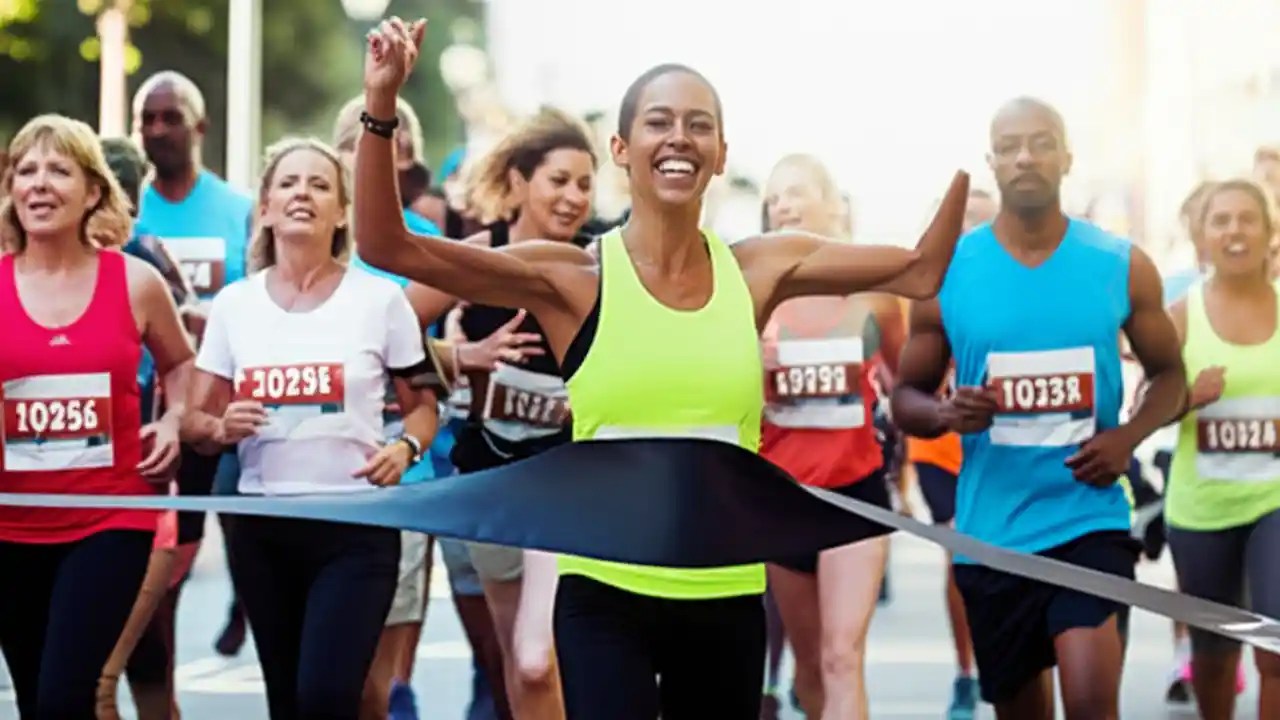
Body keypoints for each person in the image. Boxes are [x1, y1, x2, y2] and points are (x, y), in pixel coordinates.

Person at [354, 18, 966, 719]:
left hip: (725, 591)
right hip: (604, 595)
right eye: (659, 122)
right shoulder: (573, 278)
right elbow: (389, 246)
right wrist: (381, 104)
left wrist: (973, 167)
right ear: (622, 147)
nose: (680, 136)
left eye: (699, 124)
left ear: (721, 150)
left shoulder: (760, 267)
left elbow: (921, 269)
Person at [891, 96, 1186, 720]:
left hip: (1090, 521)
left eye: (1042, 141)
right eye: (1010, 145)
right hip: (993, 537)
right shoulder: (949, 273)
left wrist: (1128, 437)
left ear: (1066, 156)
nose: (1026, 155)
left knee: (1088, 701)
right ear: (992, 161)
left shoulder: (1120, 264)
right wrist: (945, 414)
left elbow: (1170, 377)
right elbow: (904, 399)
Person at [182, 137, 441, 719]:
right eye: (289, 183)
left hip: (355, 526)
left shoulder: (381, 302)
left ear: (342, 212)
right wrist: (220, 427)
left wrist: (405, 447)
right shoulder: (233, 306)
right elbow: (193, 422)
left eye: (320, 184)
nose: (303, 193)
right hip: (262, 529)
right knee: (287, 703)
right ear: (266, 207)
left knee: (327, 697)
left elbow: (425, 407)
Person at [402, 105, 602, 720]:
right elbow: (390, 334)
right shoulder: (478, 258)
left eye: (585, 185)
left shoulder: (599, 269)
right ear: (518, 182)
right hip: (491, 485)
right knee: (518, 667)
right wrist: (460, 356)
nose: (572, 198)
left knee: (545, 659)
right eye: (558, 180)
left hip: (573, 487)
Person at [0, 114, 190, 718]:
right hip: (10, 525)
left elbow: (182, 366)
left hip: (110, 519)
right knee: (37, 701)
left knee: (65, 696)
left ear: (93, 191)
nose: (39, 184)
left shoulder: (136, 282)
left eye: (58, 170)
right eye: (26, 171)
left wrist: (173, 419)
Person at [757, 153, 903, 720]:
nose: (784, 205)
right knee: (813, 667)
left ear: (832, 204)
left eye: (795, 192)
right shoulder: (755, 297)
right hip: (782, 503)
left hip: (856, 495)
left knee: (844, 657)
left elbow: (906, 383)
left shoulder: (873, 293)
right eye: (774, 199)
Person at [132, 69, 255, 657]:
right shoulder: (129, 214)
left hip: (219, 402)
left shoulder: (239, 210)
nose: (158, 130)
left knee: (235, 514)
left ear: (199, 126)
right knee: (162, 561)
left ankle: (247, 595)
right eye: (147, 119)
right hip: (145, 404)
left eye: (170, 117)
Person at [1164, 178, 1280, 720]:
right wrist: (1187, 398)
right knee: (1213, 654)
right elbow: (1145, 406)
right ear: (1203, 237)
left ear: (1268, 232)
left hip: (1273, 503)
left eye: (1247, 219)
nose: (1235, 230)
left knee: (1276, 645)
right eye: (1221, 220)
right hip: (1202, 508)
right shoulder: (1181, 315)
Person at [96, 134, 197, 720]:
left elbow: (184, 359)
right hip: (54, 495)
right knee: (136, 661)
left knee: (128, 667)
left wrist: (177, 421)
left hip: (145, 486)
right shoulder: (28, 267)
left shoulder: (147, 264)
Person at [903, 186, 997, 720]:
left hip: (1000, 452)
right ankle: (967, 671)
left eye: (981, 223)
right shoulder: (927, 290)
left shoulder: (1016, 285)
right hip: (941, 450)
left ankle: (998, 658)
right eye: (960, 225)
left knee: (997, 559)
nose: (969, 235)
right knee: (963, 554)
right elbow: (903, 376)